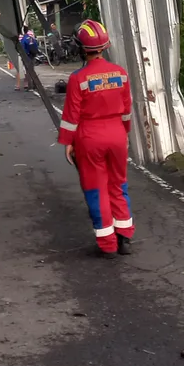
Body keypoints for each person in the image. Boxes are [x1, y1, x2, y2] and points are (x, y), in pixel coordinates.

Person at [58, 20, 135, 258]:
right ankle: (125, 237)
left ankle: (107, 243)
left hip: (90, 137)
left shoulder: (78, 79)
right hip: (117, 134)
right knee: (118, 185)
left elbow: (71, 116)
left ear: (81, 48)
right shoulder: (120, 74)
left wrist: (67, 142)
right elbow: (127, 110)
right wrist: (125, 134)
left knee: (96, 189)